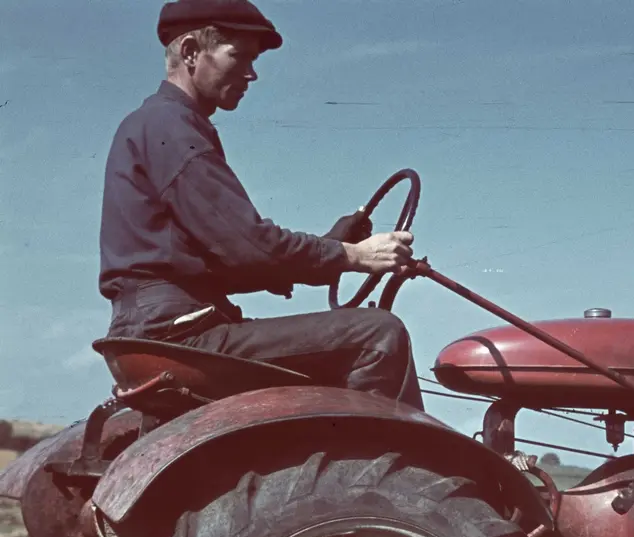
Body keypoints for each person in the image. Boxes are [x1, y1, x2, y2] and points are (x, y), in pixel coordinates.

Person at [97, 0, 425, 408]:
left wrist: (330, 247)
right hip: (181, 333)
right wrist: (353, 255)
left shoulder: (157, 125)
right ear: (190, 52)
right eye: (239, 56)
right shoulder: (172, 128)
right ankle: (393, 466)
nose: (252, 73)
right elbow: (246, 244)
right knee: (379, 332)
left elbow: (229, 260)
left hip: (159, 326)